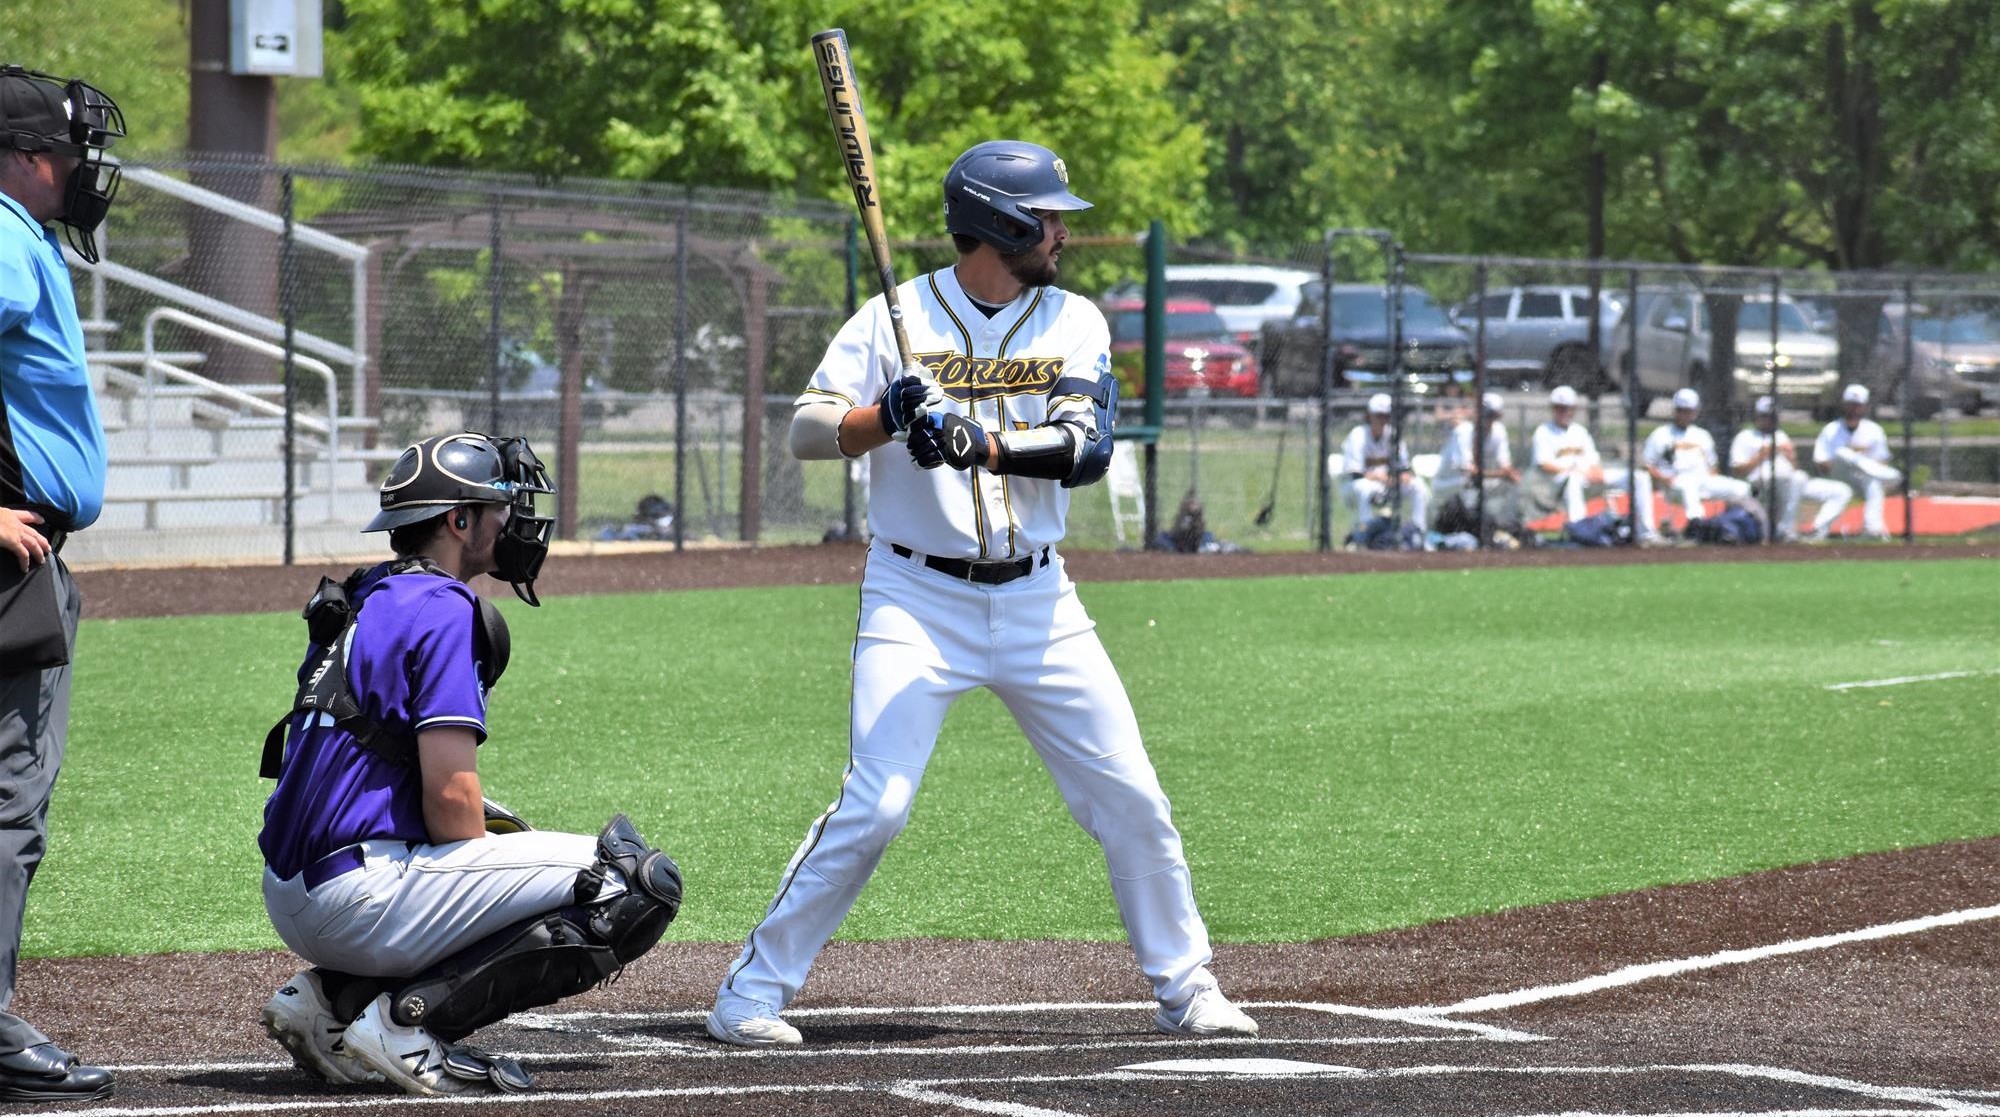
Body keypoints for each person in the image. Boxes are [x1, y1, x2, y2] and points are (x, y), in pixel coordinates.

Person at [711, 139, 1256, 1048]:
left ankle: (1187, 985)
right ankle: (751, 992)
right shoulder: (893, 317)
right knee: (877, 802)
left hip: (1043, 603)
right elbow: (807, 431)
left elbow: (1086, 448)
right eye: (1047, 218)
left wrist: (981, 444)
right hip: (916, 600)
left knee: (1131, 796)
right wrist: (885, 416)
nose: (1061, 233)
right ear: (1001, 224)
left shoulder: (1072, 319)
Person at [256, 432, 684, 1097]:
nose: (513, 521)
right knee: (632, 882)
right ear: (460, 521)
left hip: (293, 885)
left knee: (507, 837)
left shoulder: (363, 595)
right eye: (499, 505)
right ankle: (403, 1025)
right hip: (357, 895)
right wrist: (499, 877)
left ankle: (329, 1002)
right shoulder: (442, 608)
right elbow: (451, 805)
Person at [0, 64, 124, 1103]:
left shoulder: (19, 235)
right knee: (8, 804)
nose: (85, 172)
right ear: (30, 160)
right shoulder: (2, 231)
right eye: (72, 153)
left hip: (24, 560)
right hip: (8, 564)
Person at [1527, 385, 1659, 542]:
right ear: (1552, 409)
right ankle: (1580, 533)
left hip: (1588, 477)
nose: (1563, 412)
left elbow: (1594, 460)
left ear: (1573, 409)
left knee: (1639, 477)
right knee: (1573, 479)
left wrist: (1596, 472)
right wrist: (1574, 470)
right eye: (1559, 408)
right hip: (1558, 483)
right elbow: (1544, 465)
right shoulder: (1543, 432)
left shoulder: (1579, 431)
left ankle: (1646, 533)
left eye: (1566, 407)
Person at [1729, 396, 1851, 542]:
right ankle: (1786, 531)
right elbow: (1738, 471)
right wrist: (1763, 454)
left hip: (1793, 482)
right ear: (1757, 416)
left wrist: (1791, 458)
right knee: (1795, 479)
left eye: (1773, 416)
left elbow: (1794, 468)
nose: (1769, 420)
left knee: (1841, 491)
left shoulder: (1781, 435)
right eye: (1765, 416)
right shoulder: (1745, 437)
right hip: (1763, 483)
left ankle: (1815, 530)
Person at [1643, 388, 1752, 529]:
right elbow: (1648, 465)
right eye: (1681, 410)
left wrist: (1712, 479)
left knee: (1742, 488)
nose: (1684, 414)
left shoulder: (1702, 435)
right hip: (1676, 481)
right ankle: (1696, 527)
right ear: (1675, 411)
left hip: (1703, 479)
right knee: (1689, 486)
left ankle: (1732, 525)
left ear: (1695, 412)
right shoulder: (1661, 434)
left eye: (1688, 410)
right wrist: (1665, 480)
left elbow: (1713, 466)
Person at [1813, 383, 1903, 540]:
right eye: (1850, 404)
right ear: (1844, 405)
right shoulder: (1831, 429)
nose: (1853, 408)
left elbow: (1882, 461)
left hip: (1863, 478)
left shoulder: (1874, 429)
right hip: (1838, 475)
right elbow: (1822, 462)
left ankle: (1873, 529)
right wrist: (1852, 458)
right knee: (1843, 453)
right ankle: (1892, 476)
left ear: (1865, 406)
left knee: (1873, 483)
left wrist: (1860, 463)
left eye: (1857, 405)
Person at [1335, 393, 1430, 540]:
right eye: (1378, 415)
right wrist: (1381, 477)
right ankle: (1364, 535)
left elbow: (1404, 468)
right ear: (1370, 415)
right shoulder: (1358, 435)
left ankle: (1419, 532)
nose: (1382, 420)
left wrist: (1402, 477)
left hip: (1386, 485)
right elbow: (1355, 474)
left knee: (1418, 486)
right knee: (1366, 488)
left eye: (1386, 416)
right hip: (1355, 487)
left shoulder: (1392, 435)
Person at [1431, 390, 1519, 534]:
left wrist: (1507, 474)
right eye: (1487, 415)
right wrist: (1501, 473)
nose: (1489, 420)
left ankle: (1506, 528)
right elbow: (1469, 473)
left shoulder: (1499, 431)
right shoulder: (1463, 432)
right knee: (1471, 487)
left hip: (1475, 482)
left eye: (1493, 416)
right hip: (1448, 485)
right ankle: (1475, 530)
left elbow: (1506, 466)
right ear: (1479, 414)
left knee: (1512, 484)